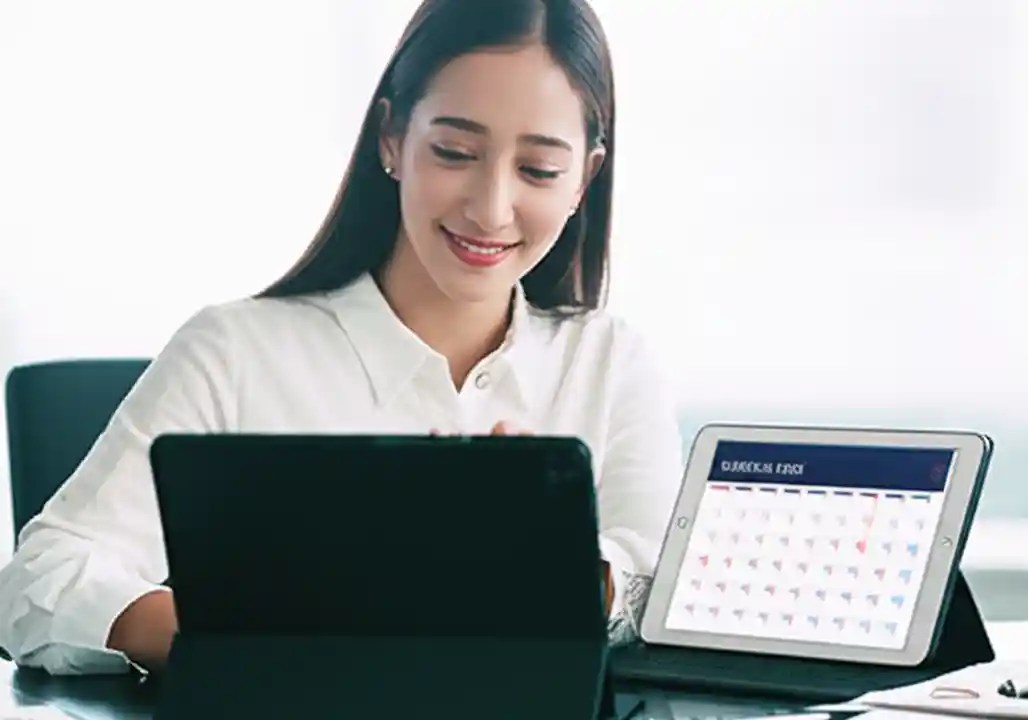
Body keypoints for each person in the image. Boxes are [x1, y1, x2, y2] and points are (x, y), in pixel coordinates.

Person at [0, 0, 683, 675]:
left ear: (584, 178)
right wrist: (262, 635)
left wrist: (553, 565)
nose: (491, 206)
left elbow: (666, 592)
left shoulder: (611, 365)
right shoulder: (236, 353)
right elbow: (38, 582)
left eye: (537, 170)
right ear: (391, 138)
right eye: (454, 152)